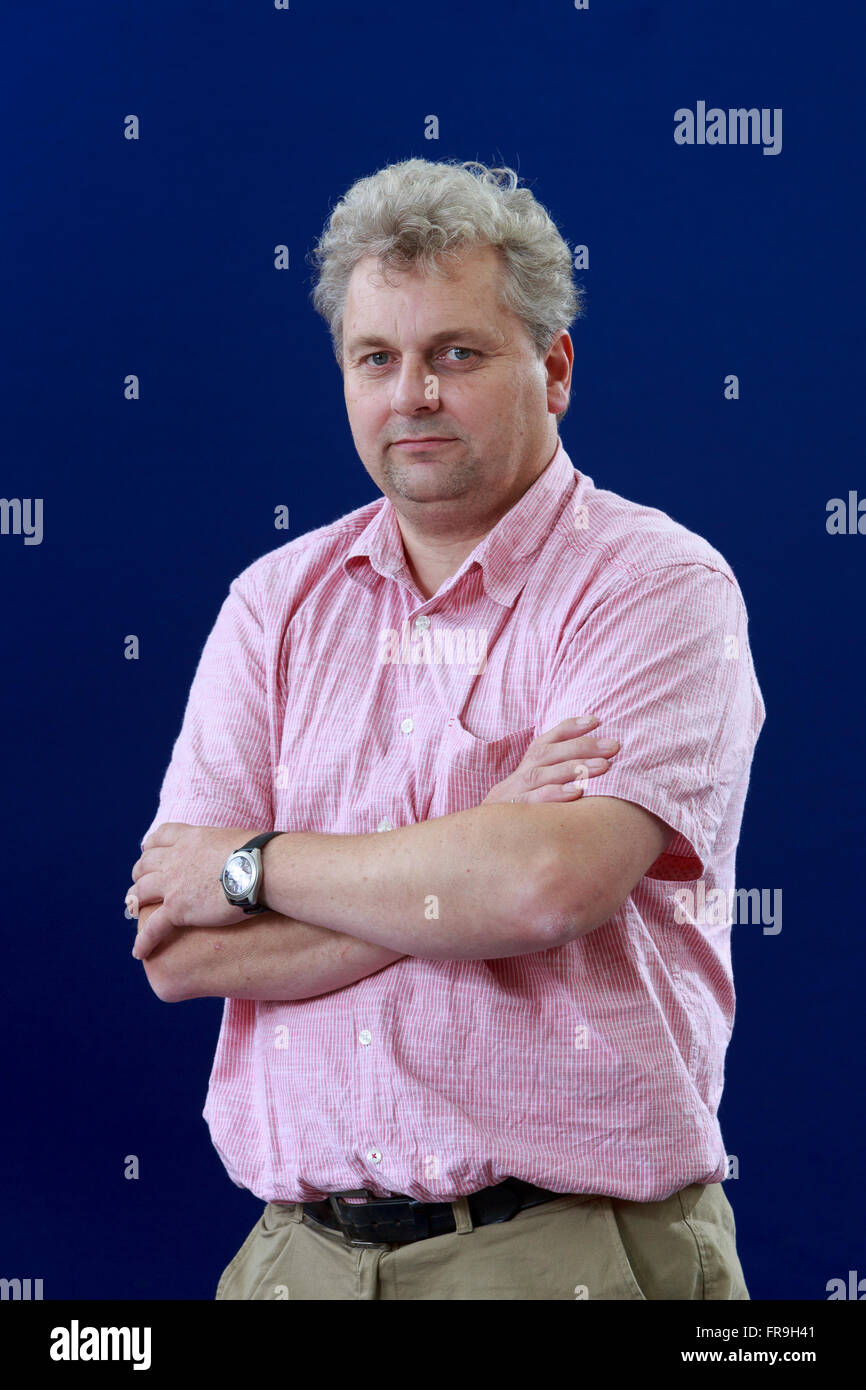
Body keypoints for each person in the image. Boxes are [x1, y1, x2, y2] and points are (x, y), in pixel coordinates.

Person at [127, 158, 765, 1301]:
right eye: (377, 358)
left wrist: (258, 870)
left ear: (552, 367)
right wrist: (471, 843)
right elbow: (180, 952)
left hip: (568, 1254)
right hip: (295, 1261)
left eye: (455, 354)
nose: (410, 392)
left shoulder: (657, 587)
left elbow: (539, 891)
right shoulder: (271, 603)